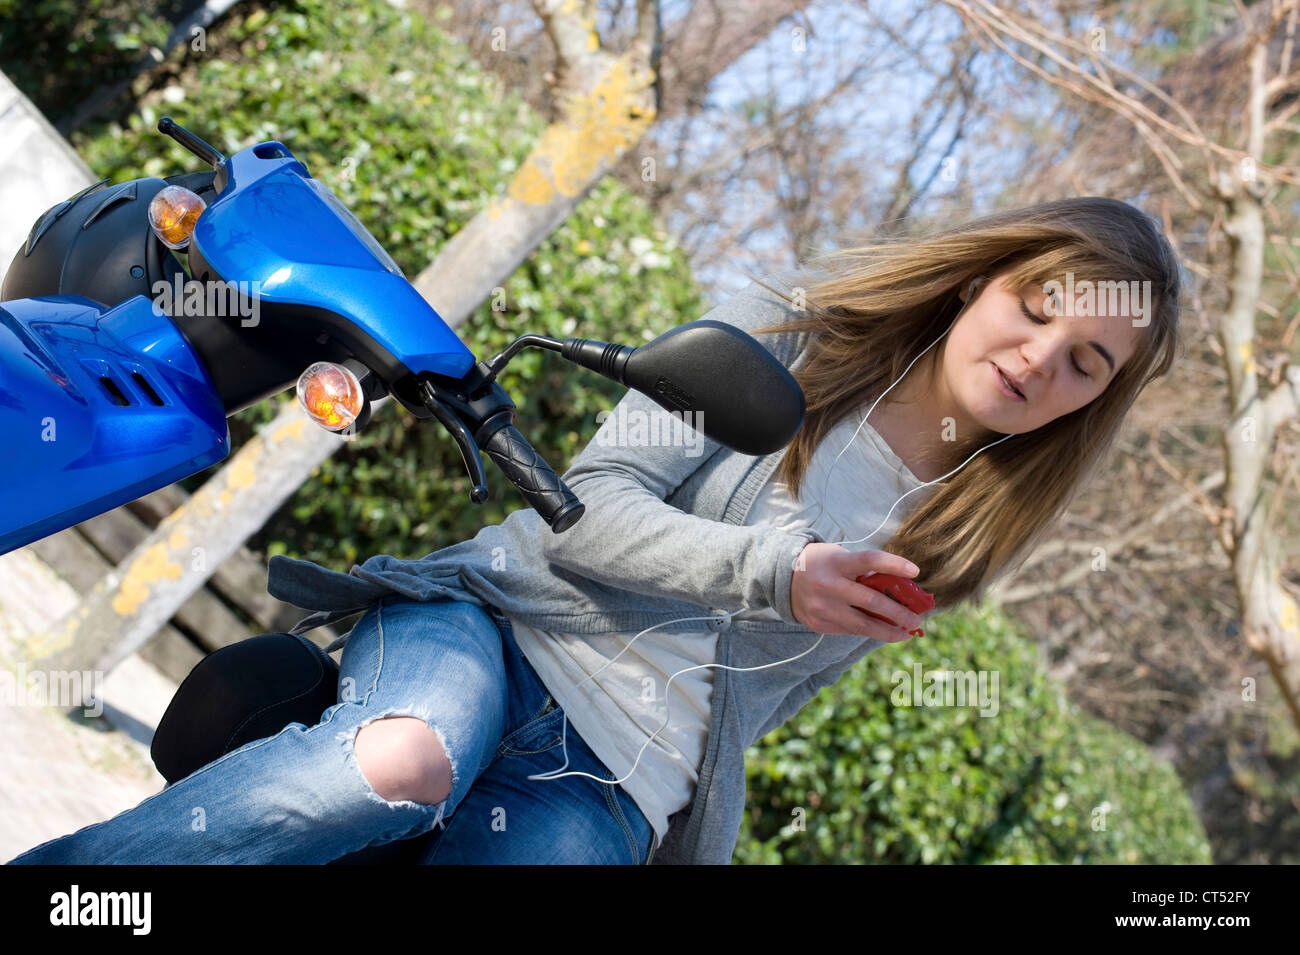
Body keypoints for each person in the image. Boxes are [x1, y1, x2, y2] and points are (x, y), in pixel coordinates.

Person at [6, 195, 1181, 866]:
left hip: (623, 780)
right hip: (506, 635)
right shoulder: (777, 340)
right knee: (389, 766)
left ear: (1094, 402)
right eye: (1034, 309)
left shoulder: (958, 533)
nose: (1038, 359)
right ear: (982, 281)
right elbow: (583, 516)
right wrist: (776, 570)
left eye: (1085, 362)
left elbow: (750, 709)